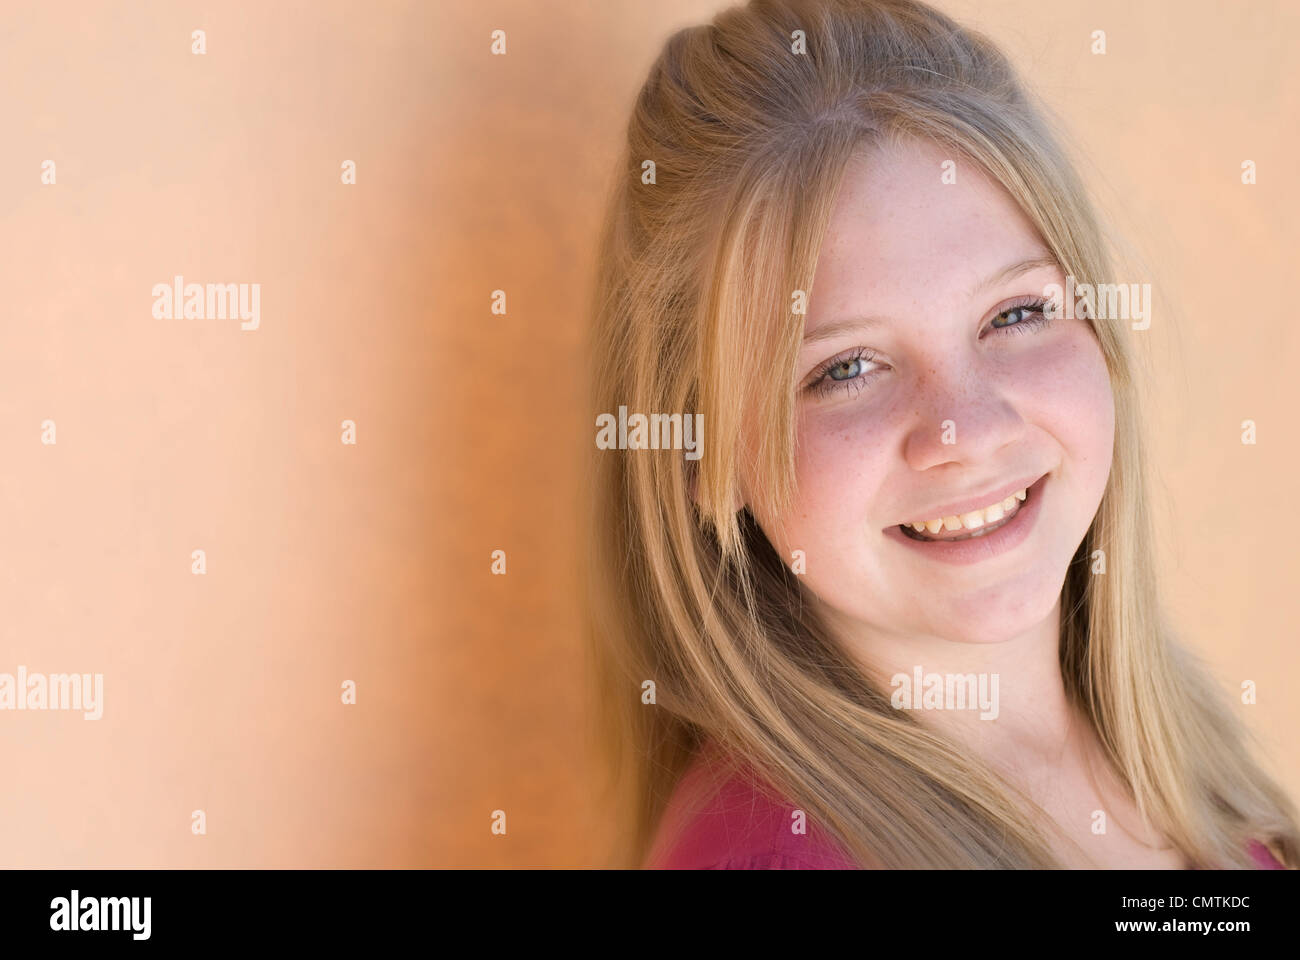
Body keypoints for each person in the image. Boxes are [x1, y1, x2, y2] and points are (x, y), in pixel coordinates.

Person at [584, 0, 1297, 868]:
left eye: (1017, 312)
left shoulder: (1183, 761)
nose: (968, 430)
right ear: (700, 452)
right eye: (844, 368)